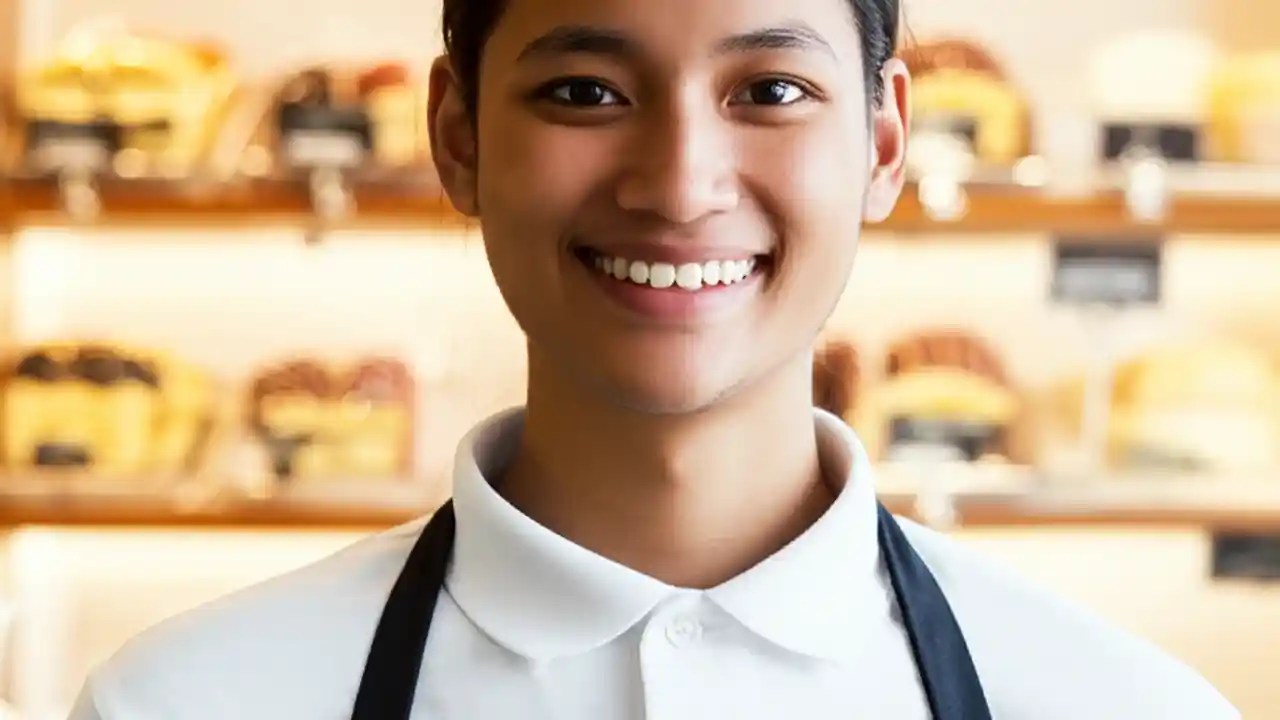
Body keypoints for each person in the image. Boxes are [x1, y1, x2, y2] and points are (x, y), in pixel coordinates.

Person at [70, 0, 1241, 717]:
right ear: (457, 136)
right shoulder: (184, 702)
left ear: (882, 140)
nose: (679, 184)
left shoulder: (1125, 707)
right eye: (584, 92)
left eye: (769, 91)